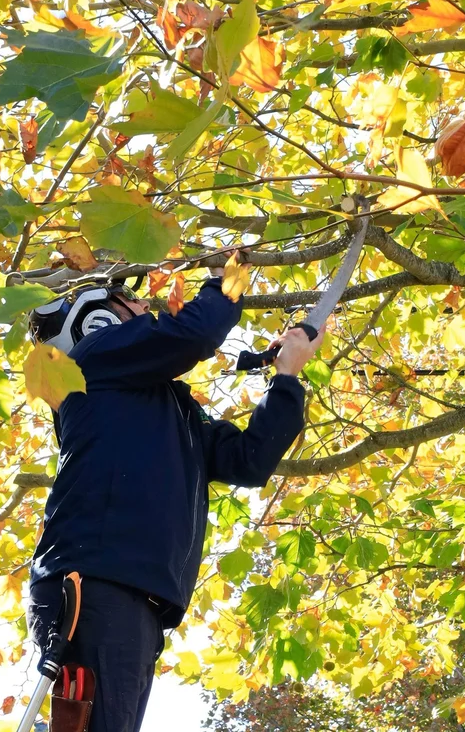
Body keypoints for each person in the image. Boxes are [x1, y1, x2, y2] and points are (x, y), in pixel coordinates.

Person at [27, 266, 325, 732]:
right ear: (93, 320)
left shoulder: (170, 412)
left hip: (133, 596)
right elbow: (196, 332)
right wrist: (229, 278)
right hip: (99, 584)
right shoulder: (92, 358)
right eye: (128, 298)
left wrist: (286, 378)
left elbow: (248, 460)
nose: (146, 306)